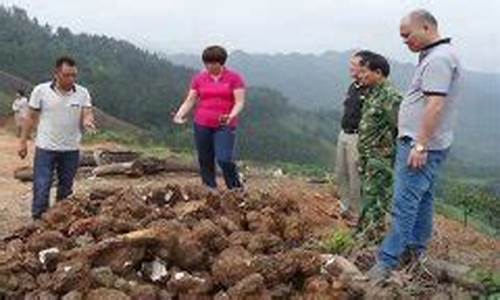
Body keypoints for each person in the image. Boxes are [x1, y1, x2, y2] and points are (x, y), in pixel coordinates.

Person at [367, 9, 462, 282]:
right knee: (423, 200)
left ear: (426, 27)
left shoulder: (439, 60)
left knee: (404, 202)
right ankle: (416, 251)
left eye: (407, 35)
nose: (405, 41)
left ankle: (387, 261)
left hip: (420, 146)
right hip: (429, 143)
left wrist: (420, 145)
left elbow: (435, 104)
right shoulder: (438, 55)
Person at [18, 56, 96, 219]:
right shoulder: (41, 91)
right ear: (56, 74)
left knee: (65, 189)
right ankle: (38, 221)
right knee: (42, 186)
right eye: (67, 75)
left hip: (70, 149)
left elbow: (87, 112)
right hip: (46, 148)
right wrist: (23, 142)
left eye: (74, 75)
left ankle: (59, 221)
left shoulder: (82, 93)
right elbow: (30, 117)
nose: (71, 79)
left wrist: (88, 121)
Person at [173, 45, 245, 191]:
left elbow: (239, 102)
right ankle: (209, 188)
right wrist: (179, 115)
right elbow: (190, 100)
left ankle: (236, 188)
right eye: (207, 63)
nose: (209, 66)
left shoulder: (234, 78)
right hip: (202, 123)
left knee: (224, 159)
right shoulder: (199, 78)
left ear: (221, 62)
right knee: (205, 158)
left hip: (224, 124)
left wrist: (231, 116)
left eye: (213, 63)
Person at [356, 52, 402, 241]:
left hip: (380, 159)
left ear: (378, 72)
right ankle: (365, 234)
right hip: (367, 157)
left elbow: (399, 128)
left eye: (365, 71)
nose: (361, 75)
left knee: (376, 200)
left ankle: (371, 239)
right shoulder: (371, 93)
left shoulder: (391, 96)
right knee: (368, 198)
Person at [334, 50, 373, 224]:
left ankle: (356, 214)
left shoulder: (371, 90)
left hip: (358, 137)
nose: (350, 68)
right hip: (344, 133)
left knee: (355, 175)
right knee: (341, 172)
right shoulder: (353, 86)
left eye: (354, 65)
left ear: (365, 67)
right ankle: (344, 208)